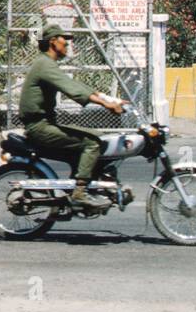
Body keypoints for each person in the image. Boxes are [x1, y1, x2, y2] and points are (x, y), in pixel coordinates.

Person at [18, 24, 127, 211]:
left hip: (44, 123)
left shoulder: (47, 63)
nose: (67, 44)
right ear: (53, 41)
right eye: (64, 40)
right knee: (92, 142)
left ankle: (86, 183)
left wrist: (109, 98)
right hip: (39, 127)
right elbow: (71, 89)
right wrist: (106, 104)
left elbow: (76, 85)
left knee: (96, 136)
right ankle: (79, 193)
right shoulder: (44, 64)